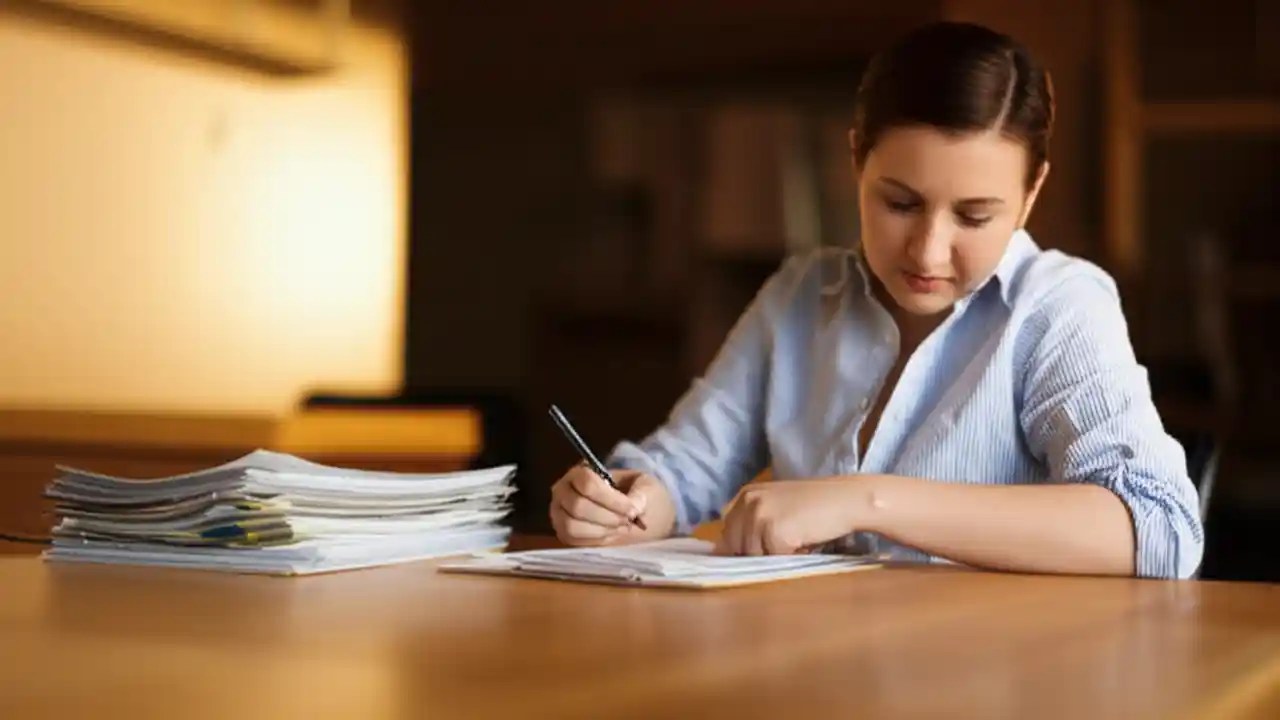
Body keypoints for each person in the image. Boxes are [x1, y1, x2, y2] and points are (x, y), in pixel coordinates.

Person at [548, 21, 1204, 579]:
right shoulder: (802, 295)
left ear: (1031, 194)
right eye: (899, 203)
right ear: (856, 158)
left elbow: (1159, 528)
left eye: (975, 217)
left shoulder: (1057, 307)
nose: (926, 251)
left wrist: (865, 500)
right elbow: (683, 471)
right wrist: (627, 503)